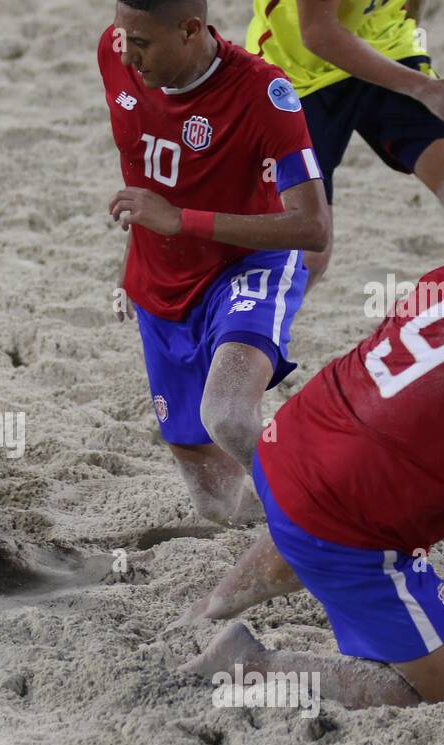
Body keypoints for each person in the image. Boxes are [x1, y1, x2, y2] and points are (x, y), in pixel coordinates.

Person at [178, 204, 444, 720]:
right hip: (342, 522)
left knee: (333, 483)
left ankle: (207, 610)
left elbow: (434, 375)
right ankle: (250, 664)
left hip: (286, 444)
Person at [99, 0, 331, 526]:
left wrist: (181, 220)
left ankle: (330, 526)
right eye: (121, 37)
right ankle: (280, 531)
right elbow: (146, 169)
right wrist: (133, 265)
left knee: (226, 415)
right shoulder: (116, 51)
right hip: (159, 278)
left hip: (247, 264)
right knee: (216, 503)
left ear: (190, 29)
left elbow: (313, 227)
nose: (128, 54)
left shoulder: (262, 93)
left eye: (141, 43)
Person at [246, 0, 444, 286]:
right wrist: (424, 88)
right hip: (296, 69)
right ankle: (241, 328)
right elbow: (318, 34)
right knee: (308, 256)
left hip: (386, 47)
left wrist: (406, 32)